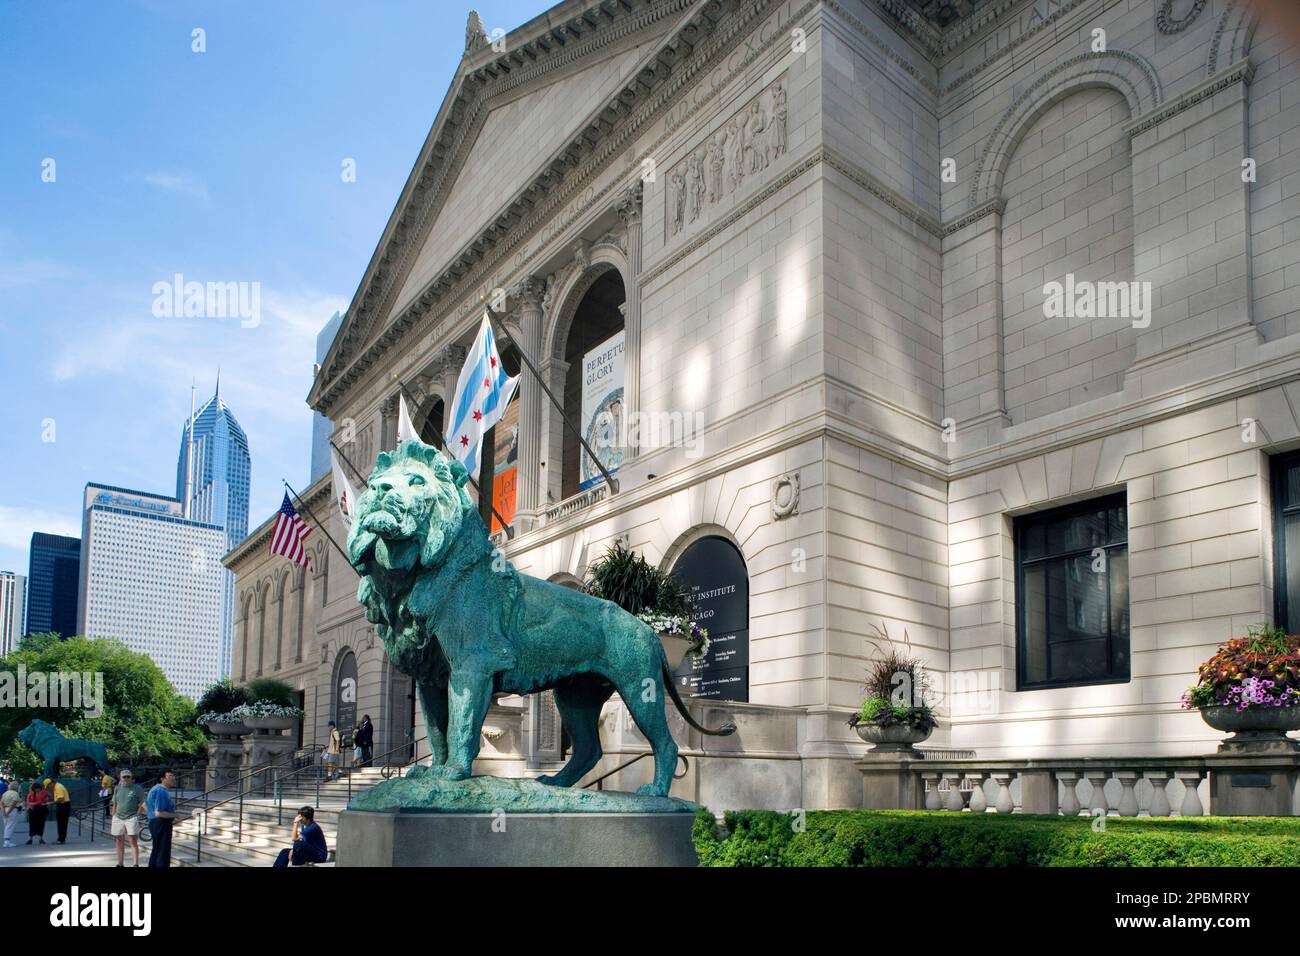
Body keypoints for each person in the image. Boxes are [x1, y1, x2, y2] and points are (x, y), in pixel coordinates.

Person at [111, 769, 146, 867]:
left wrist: (138, 814)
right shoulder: (117, 788)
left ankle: (135, 863)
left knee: (132, 840)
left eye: (128, 777)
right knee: (119, 840)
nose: (126, 778)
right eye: (124, 777)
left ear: (131, 777)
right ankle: (120, 863)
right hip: (118, 817)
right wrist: (113, 813)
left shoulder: (137, 788)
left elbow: (142, 802)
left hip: (131, 817)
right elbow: (115, 801)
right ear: (120, 777)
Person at [146, 770, 181, 868]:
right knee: (162, 852)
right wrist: (175, 815)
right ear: (162, 779)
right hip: (161, 824)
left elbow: (146, 805)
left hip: (157, 823)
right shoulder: (160, 791)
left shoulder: (156, 789)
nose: (173, 778)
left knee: (157, 851)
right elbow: (159, 812)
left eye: (173, 775)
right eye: (170, 776)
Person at [47, 777, 71, 844]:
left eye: (48, 786)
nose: (49, 788)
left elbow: (61, 799)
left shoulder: (58, 787)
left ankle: (61, 839)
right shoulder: (57, 786)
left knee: (62, 823)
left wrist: (51, 803)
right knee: (61, 823)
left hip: (63, 806)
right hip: (63, 805)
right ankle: (61, 838)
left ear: (51, 784)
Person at [26, 781, 49, 845]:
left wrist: (45, 803)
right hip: (33, 810)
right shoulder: (30, 794)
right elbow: (28, 802)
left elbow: (47, 800)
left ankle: (41, 838)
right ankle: (31, 839)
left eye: (38, 788)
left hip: (41, 810)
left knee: (41, 824)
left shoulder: (44, 793)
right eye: (36, 789)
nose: (37, 790)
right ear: (33, 789)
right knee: (32, 824)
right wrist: (35, 803)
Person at [1, 783, 20, 848]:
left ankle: (6, 841)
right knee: (10, 825)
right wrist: (8, 812)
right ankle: (7, 841)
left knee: (6, 825)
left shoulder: (5, 793)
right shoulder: (15, 794)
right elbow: (13, 804)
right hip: (12, 810)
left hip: (5, 809)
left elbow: (1, 803)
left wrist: (4, 811)